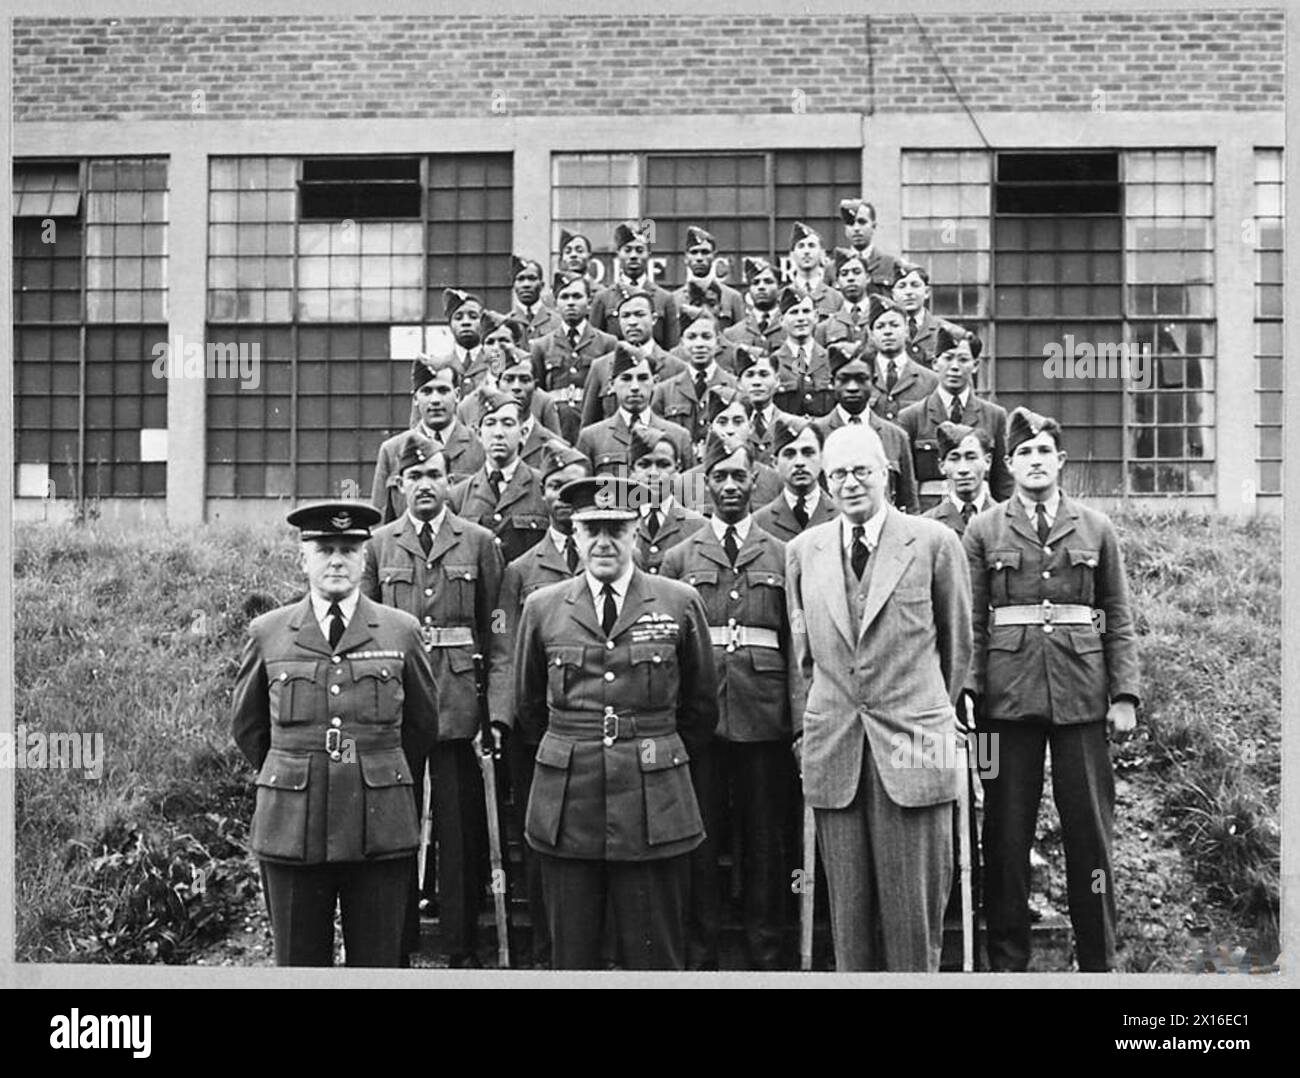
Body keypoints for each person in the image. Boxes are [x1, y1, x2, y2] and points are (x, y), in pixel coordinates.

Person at [512, 474, 719, 969]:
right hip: (571, 801)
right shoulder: (542, 607)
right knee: (573, 955)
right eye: (592, 530)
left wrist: (649, 747)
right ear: (575, 535)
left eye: (617, 530)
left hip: (652, 800)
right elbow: (528, 708)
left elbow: (701, 705)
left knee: (654, 953)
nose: (604, 542)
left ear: (636, 533)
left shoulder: (677, 601)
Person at [785, 425, 972, 971]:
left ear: (886, 473)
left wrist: (924, 711)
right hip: (836, 748)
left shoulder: (935, 543)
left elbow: (957, 648)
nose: (849, 484)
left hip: (914, 747)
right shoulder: (803, 551)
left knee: (913, 921)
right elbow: (805, 656)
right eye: (838, 473)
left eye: (861, 471)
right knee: (848, 922)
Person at [963, 407, 1140, 973]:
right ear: (1008, 465)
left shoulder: (1096, 528)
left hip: (1081, 696)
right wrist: (968, 687)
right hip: (1006, 701)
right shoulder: (984, 529)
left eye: (1044, 452)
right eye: (1023, 454)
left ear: (1060, 462)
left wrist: (1124, 695)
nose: (1034, 462)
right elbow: (971, 619)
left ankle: (1097, 960)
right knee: (1006, 834)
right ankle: (1008, 962)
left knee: (1089, 832)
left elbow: (1117, 613)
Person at [231, 500, 439, 967]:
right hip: (293, 825)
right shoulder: (269, 633)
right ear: (303, 558)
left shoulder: (400, 631)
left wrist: (375, 771)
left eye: (349, 548)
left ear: (365, 558)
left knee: (379, 963)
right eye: (325, 549)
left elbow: (422, 726)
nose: (337, 560)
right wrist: (296, 770)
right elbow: (249, 729)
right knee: (299, 964)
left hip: (379, 822)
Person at [660, 432, 804, 971]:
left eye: (738, 476)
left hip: (764, 720)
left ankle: (767, 951)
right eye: (717, 476)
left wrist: (796, 721)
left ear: (755, 481)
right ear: (703, 482)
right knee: (700, 840)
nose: (728, 486)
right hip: (699, 724)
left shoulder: (782, 554)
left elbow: (796, 645)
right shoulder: (679, 556)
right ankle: (702, 951)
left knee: (766, 843)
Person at [362, 439, 504, 968]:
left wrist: (493, 712)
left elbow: (497, 632)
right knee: (396, 827)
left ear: (450, 482)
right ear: (398, 484)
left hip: (460, 706)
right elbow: (367, 629)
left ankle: (461, 945)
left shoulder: (479, 542)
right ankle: (396, 942)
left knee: (459, 830)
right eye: (414, 475)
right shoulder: (379, 545)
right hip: (396, 707)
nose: (425, 484)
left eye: (434, 474)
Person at [488, 442, 592, 969]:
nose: (565, 497)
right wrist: (504, 718)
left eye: (576, 485)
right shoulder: (522, 569)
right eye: (555, 487)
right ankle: (551, 945)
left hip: (597, 724)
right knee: (543, 838)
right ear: (543, 494)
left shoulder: (617, 555)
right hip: (543, 728)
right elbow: (507, 648)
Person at [896, 327, 1011, 509]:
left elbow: (1003, 482)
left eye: (963, 359)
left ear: (975, 365)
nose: (955, 367)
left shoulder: (994, 416)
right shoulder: (911, 417)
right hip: (930, 515)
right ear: (935, 364)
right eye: (948, 358)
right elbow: (904, 485)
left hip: (981, 514)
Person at [371, 357, 486, 523]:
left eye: (443, 390)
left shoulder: (479, 447)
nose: (435, 400)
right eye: (426, 391)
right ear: (416, 399)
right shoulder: (393, 450)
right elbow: (380, 522)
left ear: (458, 395)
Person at [448, 390, 550, 566]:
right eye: (490, 423)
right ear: (478, 434)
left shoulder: (543, 488)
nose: (498, 433)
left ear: (524, 432)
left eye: (508, 424)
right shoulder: (459, 496)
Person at [813, 350, 920, 514]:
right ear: (833, 382)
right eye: (844, 380)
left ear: (874, 382)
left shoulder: (896, 436)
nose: (852, 387)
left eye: (861, 379)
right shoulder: (815, 434)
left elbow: (909, 503)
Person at [575, 344, 693, 475]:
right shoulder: (592, 438)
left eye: (643, 378)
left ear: (655, 381)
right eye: (626, 379)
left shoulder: (679, 436)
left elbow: (693, 492)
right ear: (612, 384)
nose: (635, 387)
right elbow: (583, 491)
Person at [531, 271, 618, 444]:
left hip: (594, 426)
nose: (570, 302)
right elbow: (537, 395)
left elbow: (610, 396)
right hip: (555, 426)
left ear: (589, 302)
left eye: (577, 296)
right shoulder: (541, 346)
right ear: (556, 303)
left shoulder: (607, 343)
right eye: (564, 297)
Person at [580, 292, 688, 428]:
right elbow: (589, 425)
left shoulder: (676, 367)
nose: (632, 322)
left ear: (654, 319)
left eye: (639, 314)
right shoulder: (601, 367)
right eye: (625, 316)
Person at [673, 386, 782, 515]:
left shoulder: (774, 481)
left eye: (738, 421)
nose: (730, 430)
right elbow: (685, 530)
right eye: (722, 422)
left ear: (751, 427)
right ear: (711, 428)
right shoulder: (688, 482)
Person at [652, 309, 737, 450]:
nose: (699, 344)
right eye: (691, 337)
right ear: (682, 343)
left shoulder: (734, 387)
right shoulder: (664, 391)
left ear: (717, 342)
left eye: (706, 337)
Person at [589, 221, 681, 350]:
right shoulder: (603, 298)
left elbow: (672, 349)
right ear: (618, 254)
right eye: (627, 250)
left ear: (648, 254)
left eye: (639, 250)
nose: (633, 256)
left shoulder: (665, 299)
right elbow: (595, 347)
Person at [626, 425, 705, 575]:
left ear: (678, 469)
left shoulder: (698, 527)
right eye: (644, 465)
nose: (654, 473)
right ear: (632, 471)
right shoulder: (618, 523)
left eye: (663, 465)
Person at [753, 415, 838, 542]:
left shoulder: (841, 518)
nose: (799, 462)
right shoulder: (759, 523)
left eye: (808, 452)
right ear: (774, 463)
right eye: (789, 454)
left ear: (823, 459)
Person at [865, 295, 938, 424]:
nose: (888, 332)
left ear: (906, 331)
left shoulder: (930, 381)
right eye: (880, 326)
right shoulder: (860, 377)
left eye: (894, 325)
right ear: (871, 335)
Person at [922, 421, 1000, 536]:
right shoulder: (926, 525)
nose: (963, 469)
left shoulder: (1006, 520)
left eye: (971, 457)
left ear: (988, 461)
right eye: (954, 459)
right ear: (942, 466)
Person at [771, 289, 834, 417]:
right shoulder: (773, 362)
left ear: (816, 316)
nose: (800, 318)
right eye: (794, 312)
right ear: (781, 320)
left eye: (806, 311)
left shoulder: (830, 359)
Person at [891, 261, 963, 369]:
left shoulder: (947, 331)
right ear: (893, 295)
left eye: (915, 285)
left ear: (927, 292)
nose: (909, 292)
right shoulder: (882, 332)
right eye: (902, 286)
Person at [672, 225, 746, 328]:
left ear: (714, 256)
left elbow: (740, 335)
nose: (699, 258)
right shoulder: (674, 299)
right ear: (686, 257)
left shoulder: (732, 297)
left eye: (705, 252)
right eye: (694, 252)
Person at [734, 346, 795, 466]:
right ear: (739, 383)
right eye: (750, 375)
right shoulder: (727, 428)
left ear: (777, 380)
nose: (757, 382)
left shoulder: (792, 425)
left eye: (764, 374)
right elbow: (697, 474)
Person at [815, 248, 873, 359]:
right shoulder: (824, 328)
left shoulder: (883, 320)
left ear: (868, 277)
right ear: (837, 282)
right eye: (844, 274)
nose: (851, 278)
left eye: (857, 272)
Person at [724, 256, 786, 356]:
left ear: (780, 286)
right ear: (749, 289)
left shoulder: (792, 327)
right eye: (755, 283)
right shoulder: (732, 334)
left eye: (768, 282)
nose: (761, 287)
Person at [786, 221, 843, 322]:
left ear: (822, 253)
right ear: (792, 255)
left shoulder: (836, 298)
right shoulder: (782, 297)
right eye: (801, 246)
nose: (806, 251)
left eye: (811, 245)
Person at [839, 198, 900, 292]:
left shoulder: (890, 264)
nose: (856, 228)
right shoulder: (833, 268)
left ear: (874, 226)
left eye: (862, 222)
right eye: (850, 223)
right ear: (845, 229)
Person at [509, 255, 562, 343]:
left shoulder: (558, 322)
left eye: (532, 278)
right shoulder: (505, 323)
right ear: (514, 286)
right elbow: (498, 355)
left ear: (542, 285)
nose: (526, 284)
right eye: (520, 279)